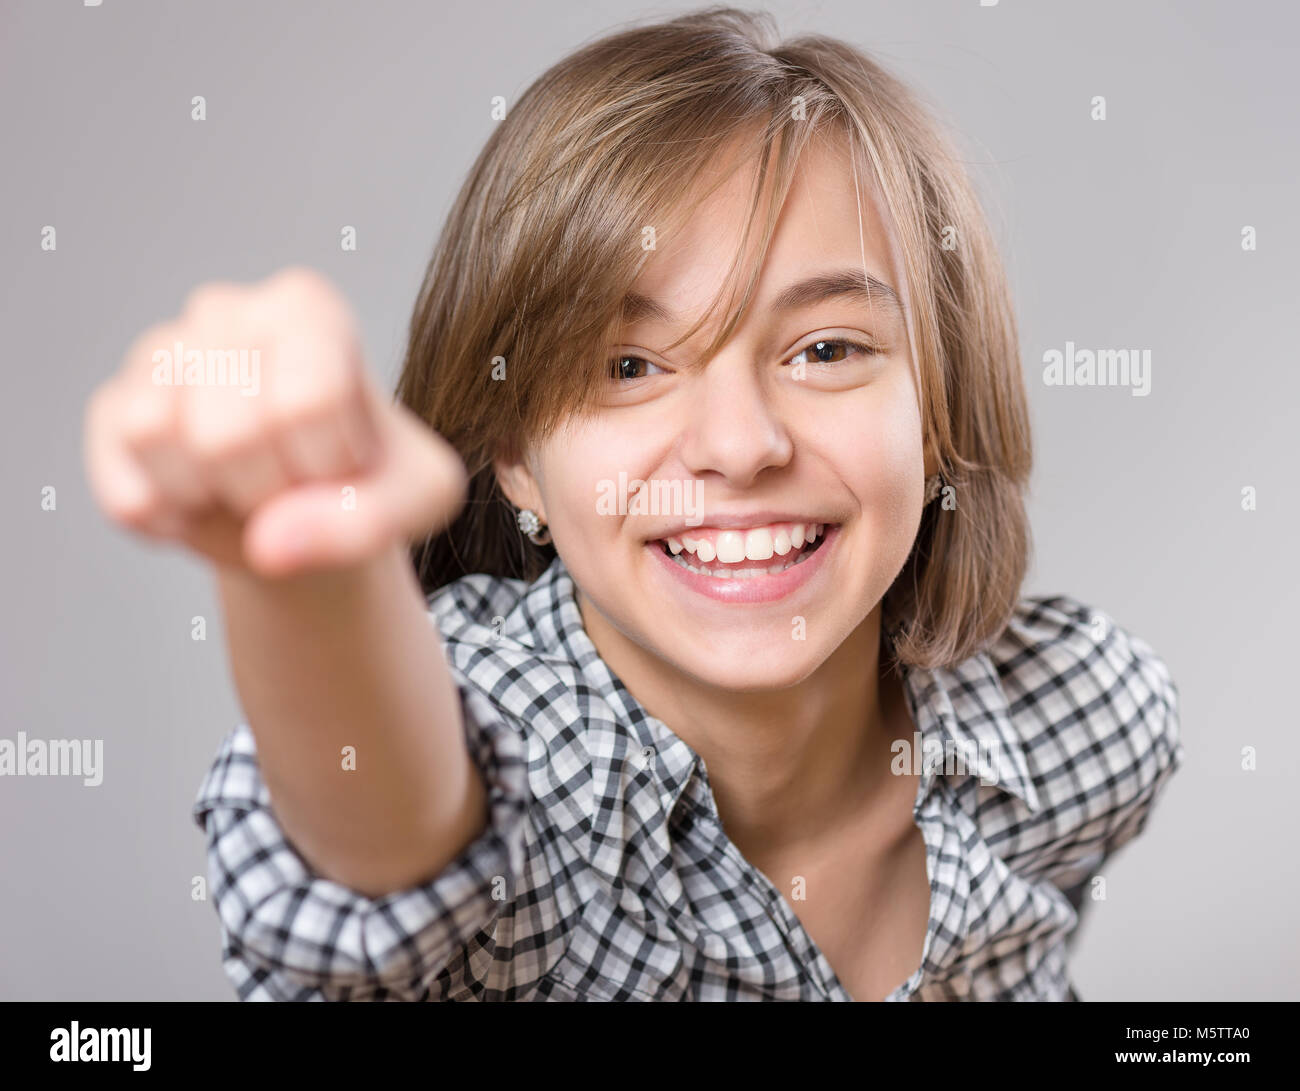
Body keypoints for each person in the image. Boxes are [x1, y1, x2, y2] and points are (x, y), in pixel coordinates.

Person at [83, 7, 1181, 1001]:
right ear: (515, 457)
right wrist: (313, 563)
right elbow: (392, 842)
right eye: (627, 367)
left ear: (935, 408)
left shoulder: (1083, 722)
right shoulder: (523, 741)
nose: (740, 445)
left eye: (826, 347)